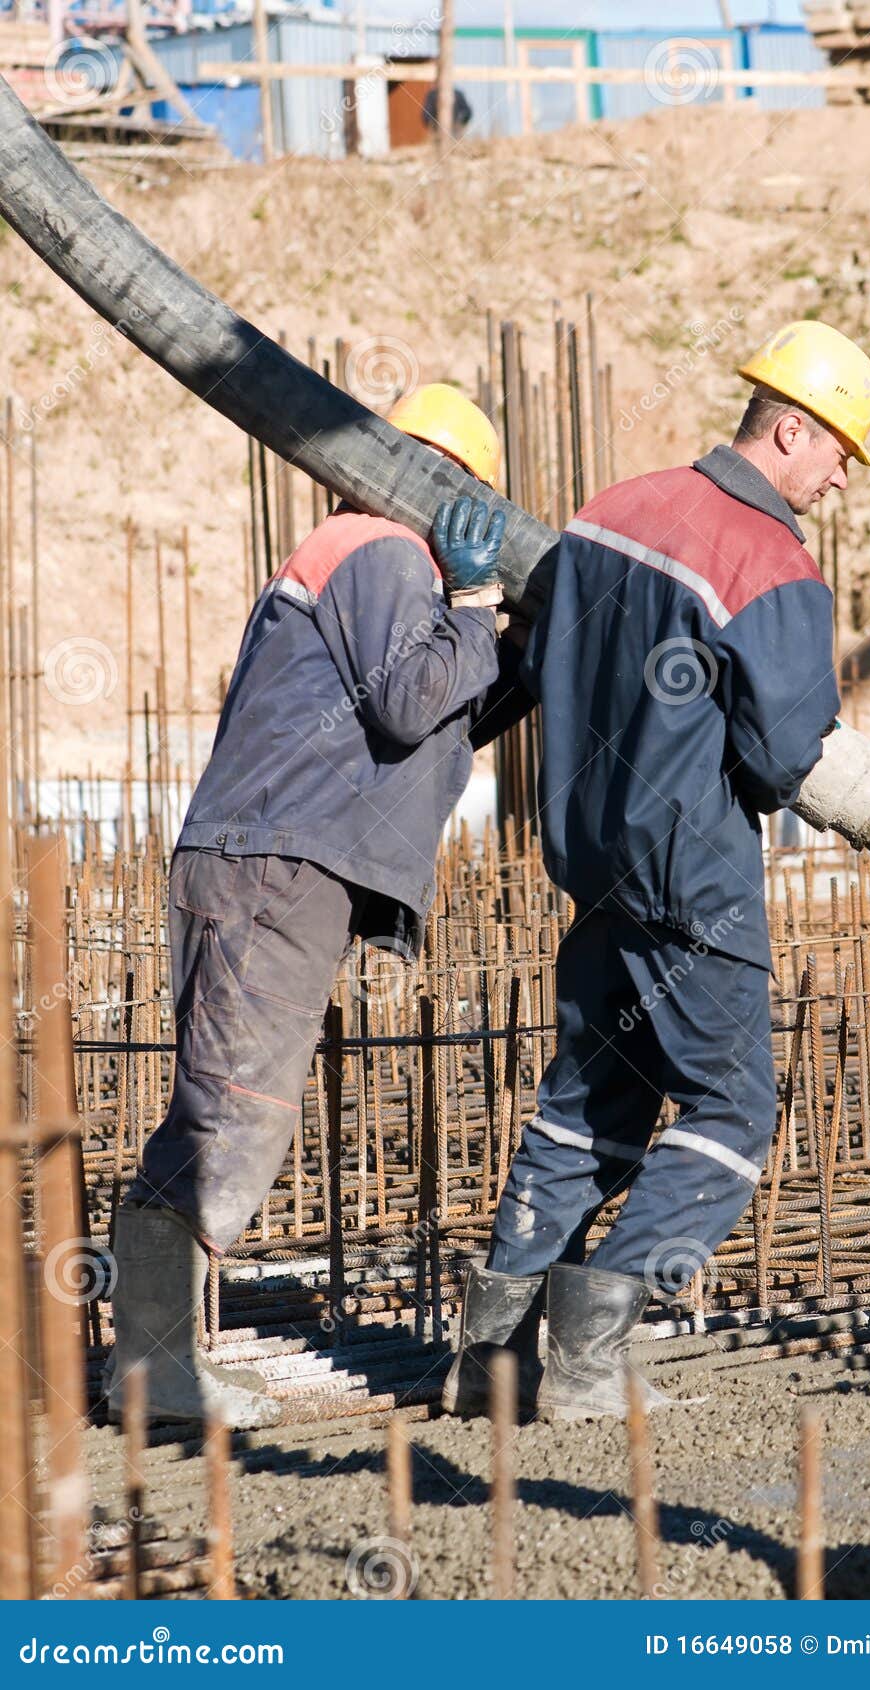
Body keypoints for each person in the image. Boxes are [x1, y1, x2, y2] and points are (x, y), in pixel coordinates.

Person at [443, 321, 870, 1420]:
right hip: (692, 879)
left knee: (587, 1108)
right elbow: (784, 750)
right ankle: (587, 1357)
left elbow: (534, 667)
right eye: (838, 450)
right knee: (731, 1114)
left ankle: (485, 1365)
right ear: (790, 427)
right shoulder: (767, 558)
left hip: (592, 862)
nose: (838, 476)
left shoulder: (609, 511)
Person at [109, 384, 513, 1429]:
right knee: (235, 1113)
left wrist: (491, 648)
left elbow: (431, 720)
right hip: (272, 866)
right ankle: (155, 1369)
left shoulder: (369, 563)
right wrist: (473, 611)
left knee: (222, 1107)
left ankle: (156, 1359)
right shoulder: (379, 544)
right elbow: (411, 698)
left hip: (273, 863)